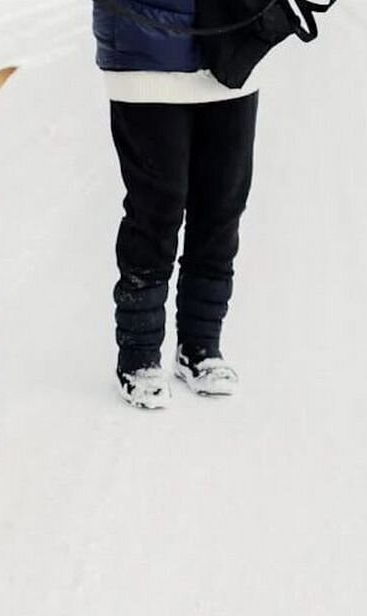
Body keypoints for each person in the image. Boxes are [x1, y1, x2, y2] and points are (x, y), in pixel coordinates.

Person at [93, 0, 259, 409]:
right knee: (155, 210)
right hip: (145, 47)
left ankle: (200, 347)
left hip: (232, 43)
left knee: (222, 206)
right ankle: (139, 354)